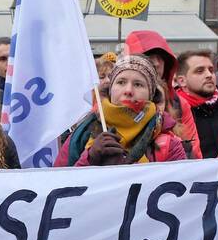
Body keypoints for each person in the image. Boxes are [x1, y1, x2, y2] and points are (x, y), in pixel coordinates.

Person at [57, 54, 186, 167]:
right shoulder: (81, 135)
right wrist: (90, 159)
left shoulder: (169, 145)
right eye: (121, 82)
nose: (128, 90)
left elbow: (181, 191)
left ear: (150, 95)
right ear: (110, 90)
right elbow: (58, 185)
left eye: (138, 84)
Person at [126, 30, 202, 159]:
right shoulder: (114, 102)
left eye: (161, 57)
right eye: (148, 56)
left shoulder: (178, 103)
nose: (156, 63)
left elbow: (194, 154)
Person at [174, 50, 218, 158]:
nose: (209, 75)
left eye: (211, 70)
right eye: (200, 71)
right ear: (182, 81)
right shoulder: (175, 116)